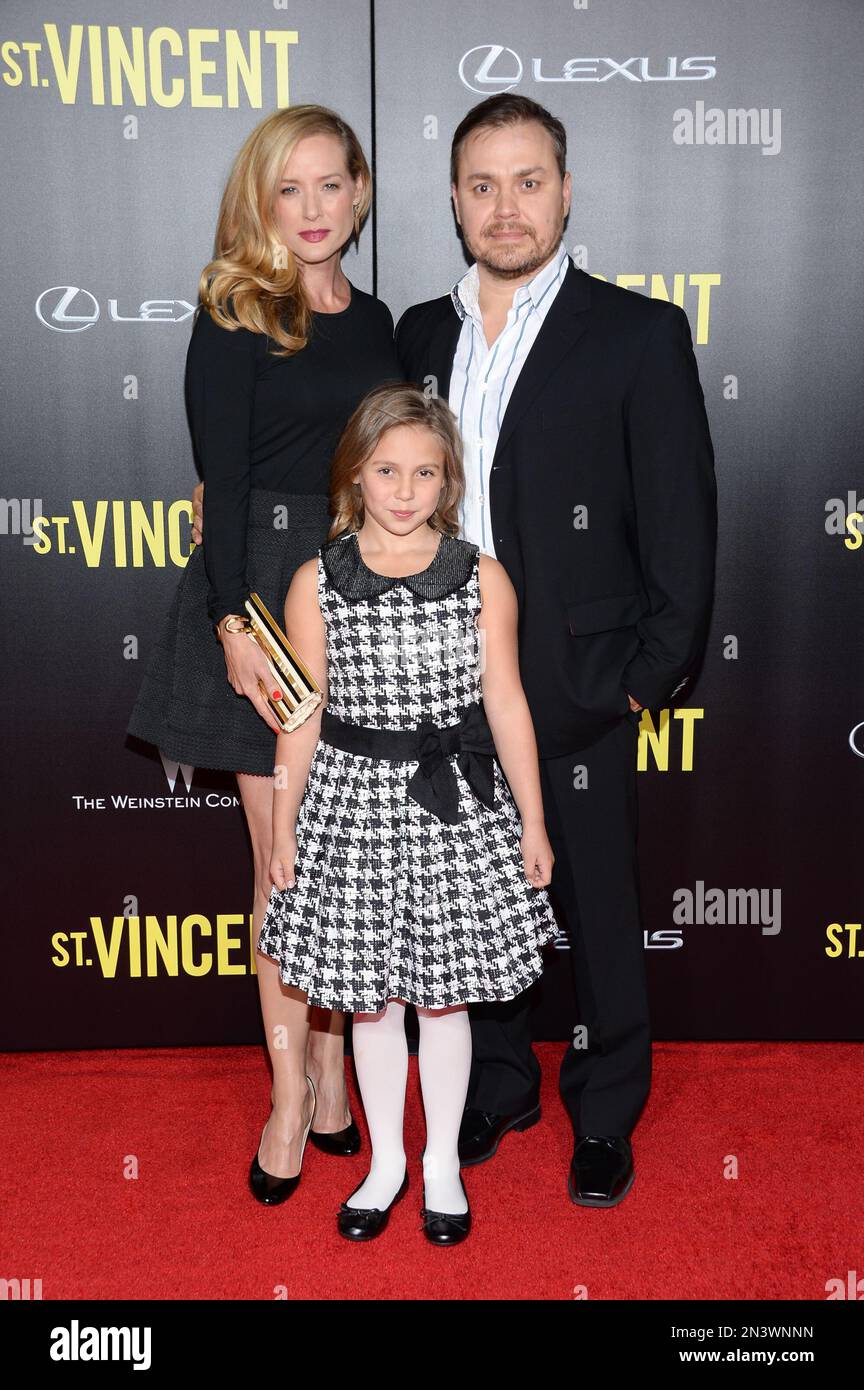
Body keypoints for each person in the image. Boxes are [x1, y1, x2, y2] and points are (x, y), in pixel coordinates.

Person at [395, 94, 718, 1206]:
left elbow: (682, 527)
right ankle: (497, 1084)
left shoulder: (636, 333)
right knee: (474, 894)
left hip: (579, 681)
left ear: (567, 191)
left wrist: (641, 680)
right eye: (481, 185)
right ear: (452, 199)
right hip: (442, 676)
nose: (506, 206)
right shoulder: (417, 335)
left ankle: (606, 1107)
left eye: (528, 181)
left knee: (597, 902)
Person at [126, 105, 404, 1204]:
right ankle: (289, 1098)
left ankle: (337, 1080)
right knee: (286, 865)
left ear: (360, 191)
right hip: (262, 600)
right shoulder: (235, 308)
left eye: (330, 186)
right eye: (288, 191)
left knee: (347, 861)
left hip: (359, 592)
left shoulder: (380, 320)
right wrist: (236, 625)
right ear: (260, 200)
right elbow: (224, 482)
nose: (311, 210)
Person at [255, 382, 560, 1244]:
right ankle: (387, 1158)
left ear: (447, 483)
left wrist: (533, 822)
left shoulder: (480, 577)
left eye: (424, 473)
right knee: (374, 1002)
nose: (403, 490)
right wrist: (282, 827)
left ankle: (441, 1166)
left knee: (445, 1001)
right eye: (386, 470)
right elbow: (301, 713)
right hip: (350, 808)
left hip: (456, 808)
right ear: (355, 475)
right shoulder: (317, 580)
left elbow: (506, 702)